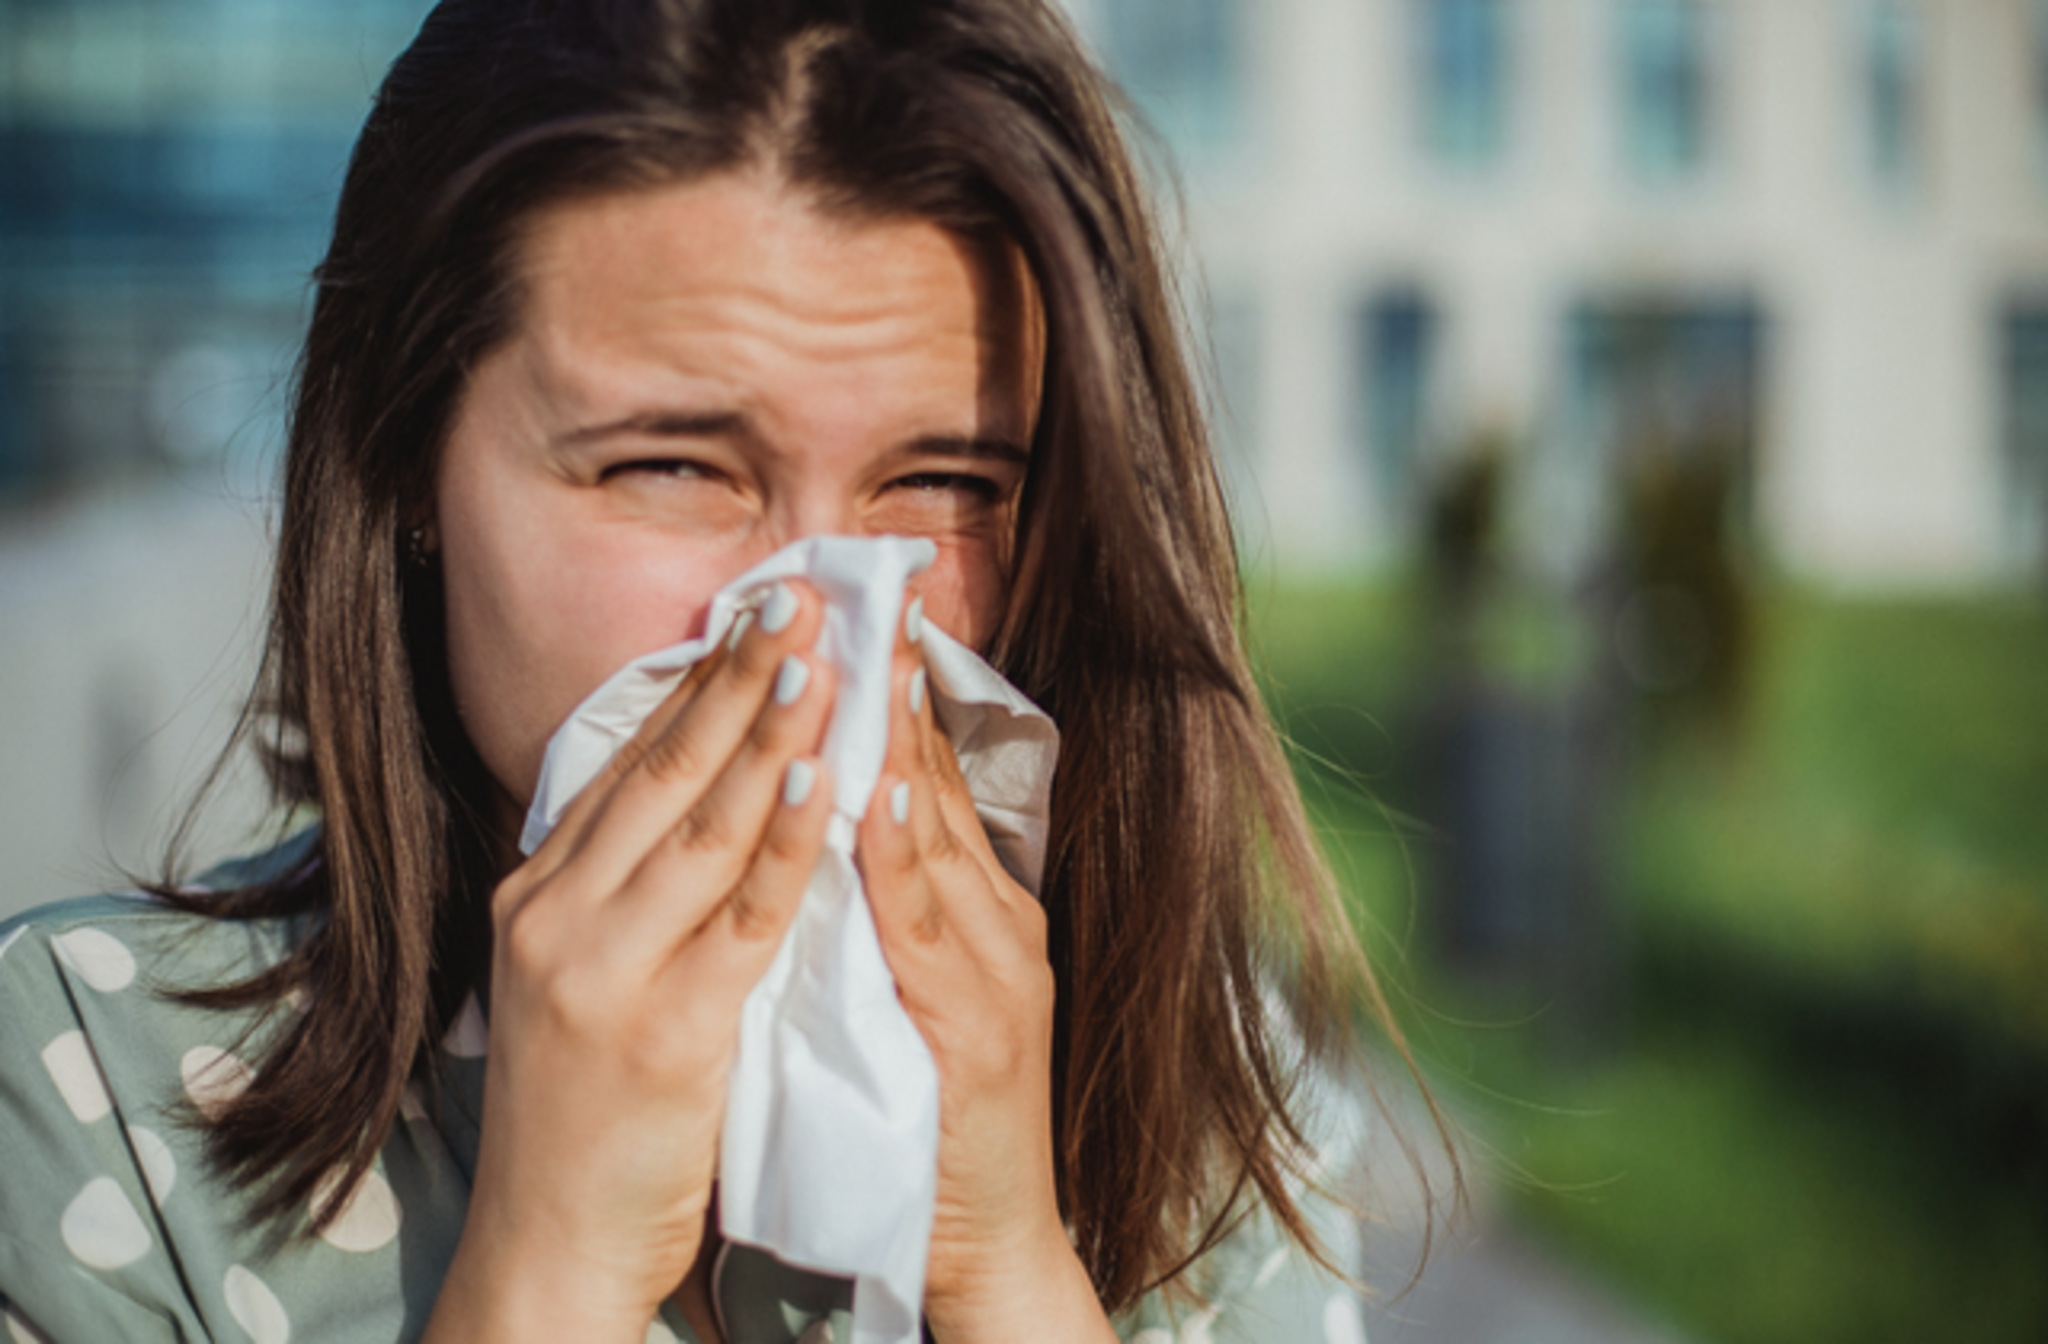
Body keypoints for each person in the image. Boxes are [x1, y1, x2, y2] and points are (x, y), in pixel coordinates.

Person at [0, 1, 1447, 1340]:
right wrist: (545, 1271)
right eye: (674, 463)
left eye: (942, 478)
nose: (808, 619)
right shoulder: (85, 1092)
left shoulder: (1193, 1093)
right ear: (409, 463)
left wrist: (1011, 1275)